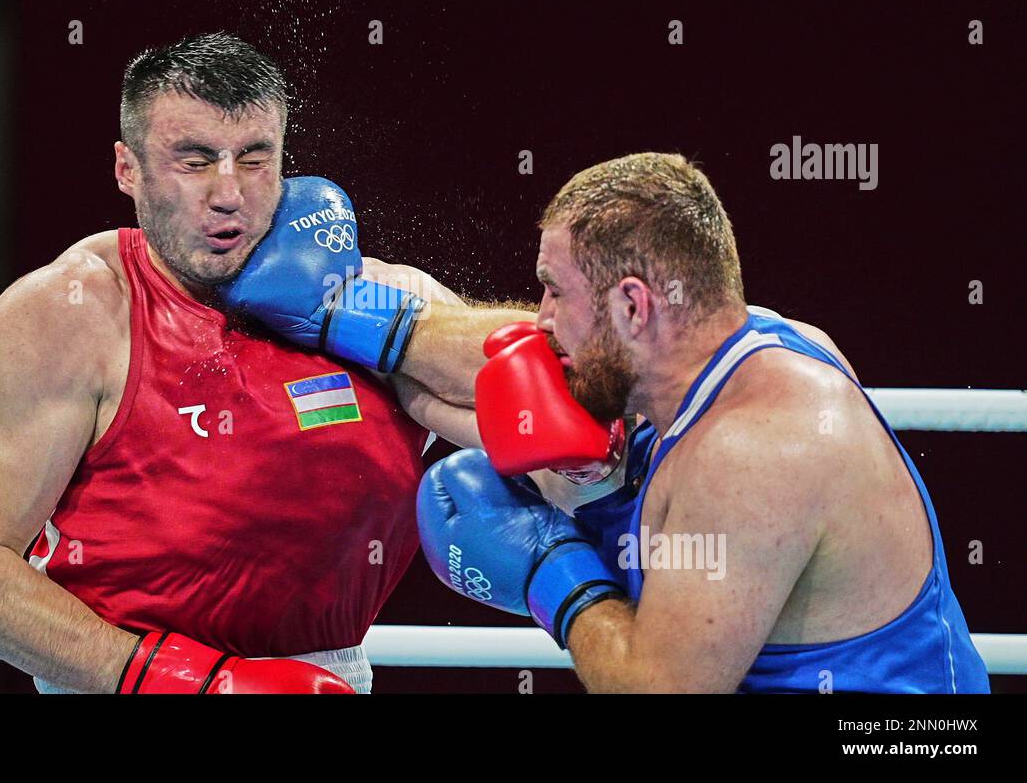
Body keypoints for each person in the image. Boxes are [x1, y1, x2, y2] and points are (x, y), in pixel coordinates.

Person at [225, 151, 990, 693]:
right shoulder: (720, 350)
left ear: (633, 305)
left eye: (553, 292)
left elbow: (656, 688)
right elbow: (501, 386)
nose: (541, 318)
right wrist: (351, 324)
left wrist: (554, 574)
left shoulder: (753, 453)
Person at [0, 32, 484, 694]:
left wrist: (354, 320)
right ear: (127, 168)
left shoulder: (369, 294)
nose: (229, 193)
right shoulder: (70, 313)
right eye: (194, 161)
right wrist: (190, 683)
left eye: (254, 159)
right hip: (118, 680)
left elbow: (553, 404)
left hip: (323, 679)